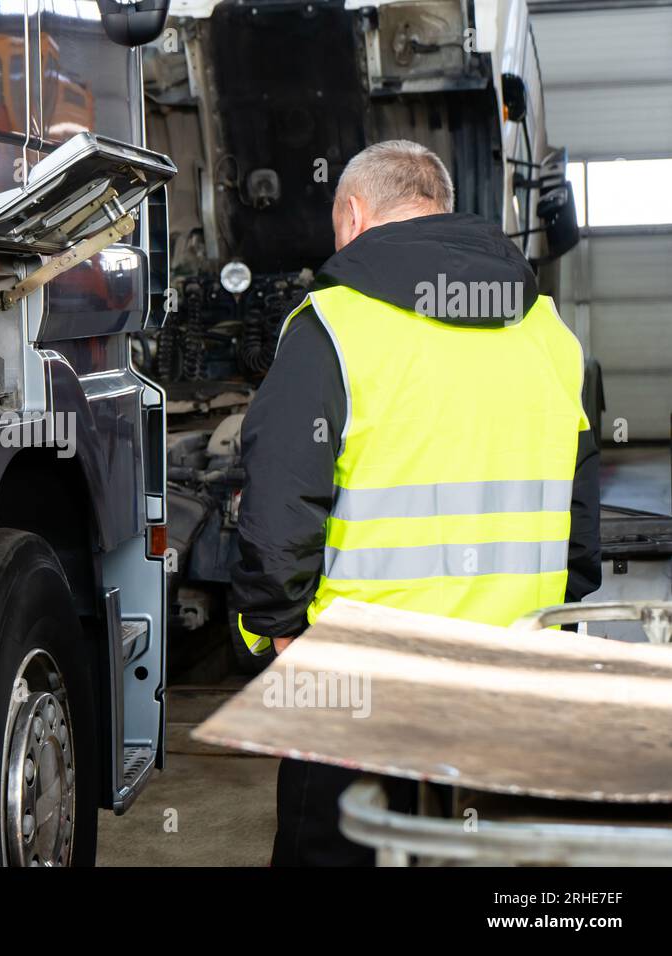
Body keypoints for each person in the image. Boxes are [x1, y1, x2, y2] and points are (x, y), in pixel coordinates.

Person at [230, 139, 602, 866]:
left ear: (355, 214)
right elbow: (580, 514)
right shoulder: (548, 332)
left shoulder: (332, 327)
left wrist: (276, 628)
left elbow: (279, 499)